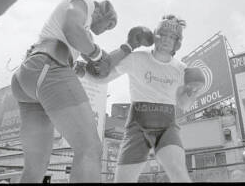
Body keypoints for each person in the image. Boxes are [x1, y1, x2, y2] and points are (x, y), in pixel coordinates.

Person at [74, 14, 205, 182]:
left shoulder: (182, 69)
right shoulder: (136, 59)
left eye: (171, 37)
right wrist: (81, 71)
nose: (166, 40)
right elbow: (104, 78)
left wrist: (193, 90)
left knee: (178, 171)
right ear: (155, 35)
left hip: (167, 126)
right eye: (163, 34)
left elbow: (184, 104)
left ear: (177, 42)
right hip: (137, 126)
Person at [10, 0, 117, 182]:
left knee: (35, 168)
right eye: (110, 24)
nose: (108, 30)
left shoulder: (83, 31)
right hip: (47, 67)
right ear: (103, 10)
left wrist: (89, 64)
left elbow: (82, 63)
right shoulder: (82, 3)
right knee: (90, 148)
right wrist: (97, 55)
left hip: (30, 79)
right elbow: (72, 31)